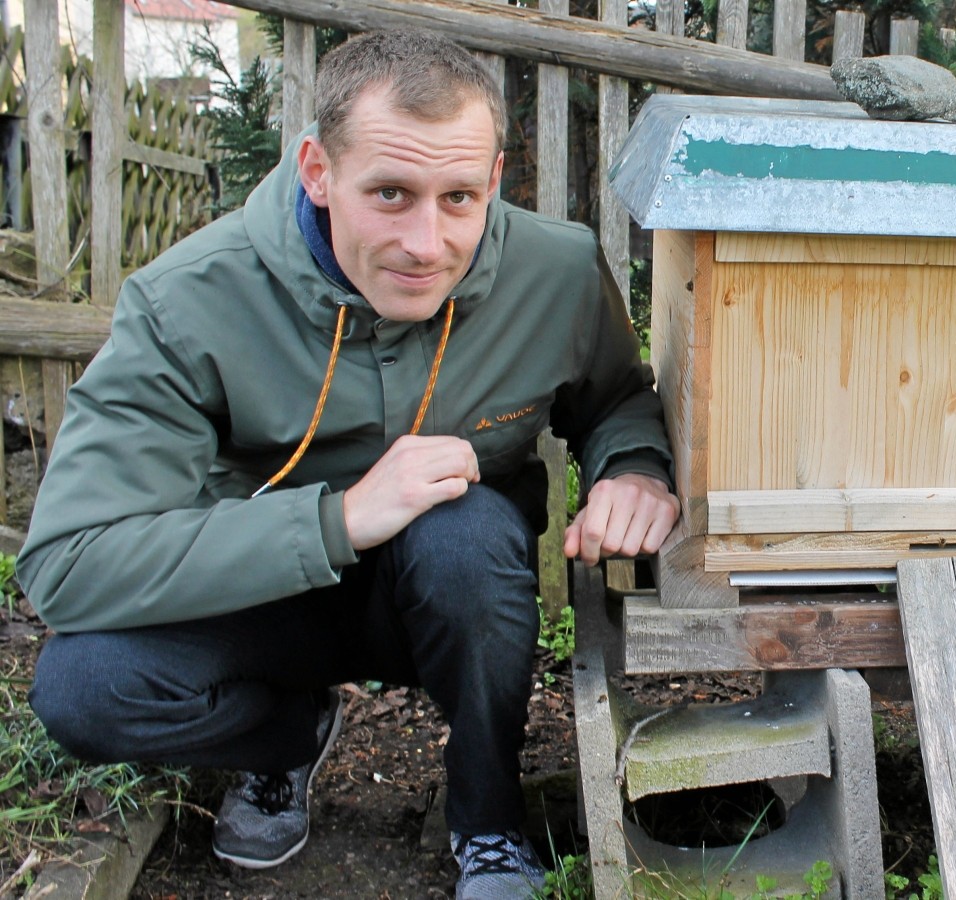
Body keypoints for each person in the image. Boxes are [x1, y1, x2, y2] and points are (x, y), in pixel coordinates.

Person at [17, 28, 678, 899]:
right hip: (259, 599)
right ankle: (288, 736)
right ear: (318, 172)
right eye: (391, 194)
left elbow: (613, 399)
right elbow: (69, 563)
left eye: (459, 198)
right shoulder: (187, 302)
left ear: (496, 177)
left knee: (468, 529)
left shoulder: (554, 270)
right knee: (82, 689)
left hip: (450, 597)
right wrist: (338, 519)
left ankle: (488, 815)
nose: (427, 242)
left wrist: (633, 468)